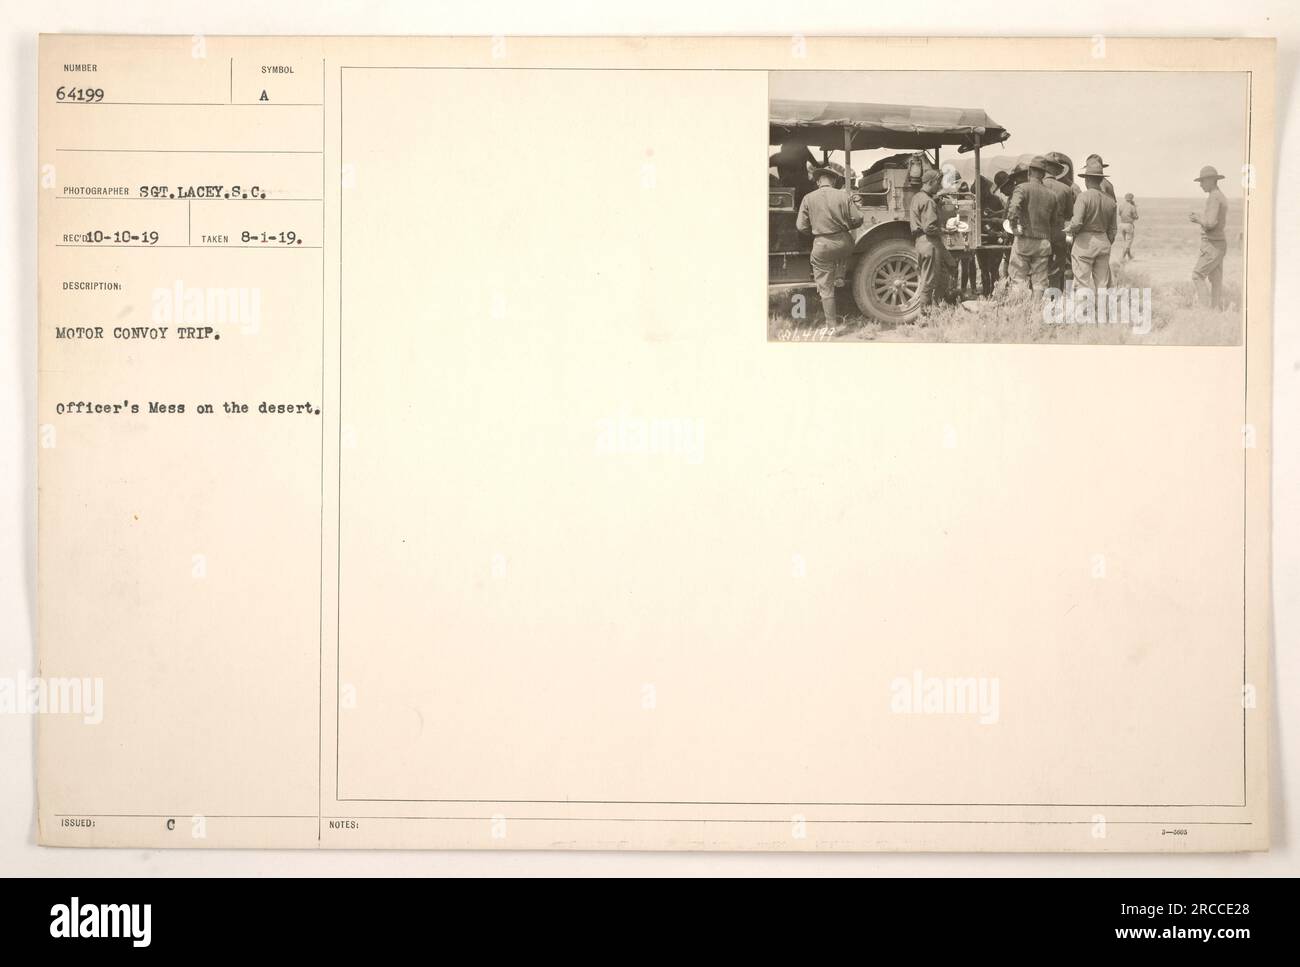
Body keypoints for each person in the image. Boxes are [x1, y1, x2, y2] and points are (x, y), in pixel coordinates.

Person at [795, 162, 862, 325]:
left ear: (818, 182)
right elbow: (859, 218)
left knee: (826, 289)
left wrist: (815, 232)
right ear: (833, 181)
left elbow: (800, 226)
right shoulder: (843, 195)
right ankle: (839, 275)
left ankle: (832, 325)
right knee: (843, 249)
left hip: (822, 245)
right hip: (844, 243)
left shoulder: (808, 198)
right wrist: (848, 226)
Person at [1005, 156, 1058, 297]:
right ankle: (1035, 312)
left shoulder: (1021, 188)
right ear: (1044, 174)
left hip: (1024, 240)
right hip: (1043, 243)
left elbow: (1013, 209)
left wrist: (1014, 227)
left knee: (1017, 278)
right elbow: (1054, 222)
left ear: (1029, 171)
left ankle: (1019, 312)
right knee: (1040, 282)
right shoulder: (1052, 195)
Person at [1067, 158, 1118, 290]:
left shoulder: (1083, 197)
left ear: (1086, 179)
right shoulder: (1111, 201)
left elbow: (1077, 222)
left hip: (1084, 242)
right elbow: (1113, 230)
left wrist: (1069, 229)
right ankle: (1102, 310)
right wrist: (1106, 241)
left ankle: (1082, 311)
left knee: (1081, 283)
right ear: (1101, 180)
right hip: (1103, 241)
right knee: (1102, 284)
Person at [909, 169, 955, 314]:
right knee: (929, 280)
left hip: (921, 242)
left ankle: (936, 305)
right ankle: (925, 315)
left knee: (945, 269)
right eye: (938, 182)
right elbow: (929, 227)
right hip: (930, 241)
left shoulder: (917, 197)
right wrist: (946, 230)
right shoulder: (928, 202)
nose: (939, 186)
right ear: (931, 182)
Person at [1189, 165, 1229, 310]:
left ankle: (1204, 311)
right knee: (1216, 279)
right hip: (1219, 244)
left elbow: (1210, 223)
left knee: (1197, 275)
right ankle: (1215, 311)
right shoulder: (1220, 196)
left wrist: (1198, 219)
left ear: (1212, 180)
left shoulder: (1214, 197)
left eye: (1203, 181)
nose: (1200, 185)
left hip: (1212, 245)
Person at [1039, 155, 1076, 290]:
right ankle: (1055, 296)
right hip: (1058, 234)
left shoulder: (1037, 186)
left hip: (1038, 233)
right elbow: (1069, 214)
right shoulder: (1066, 189)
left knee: (1039, 266)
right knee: (1057, 266)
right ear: (1057, 170)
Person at [770, 138, 819, 204]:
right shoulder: (804, 152)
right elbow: (817, 165)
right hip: (803, 188)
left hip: (787, 188)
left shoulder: (778, 157)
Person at [1117, 192, 1139, 261]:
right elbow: (1136, 217)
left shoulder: (1121, 205)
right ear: (1132, 199)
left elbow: (1120, 214)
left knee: (1125, 241)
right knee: (1128, 242)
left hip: (1121, 225)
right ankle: (1122, 258)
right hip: (1128, 225)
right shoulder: (1132, 207)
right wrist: (1135, 208)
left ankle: (1129, 256)